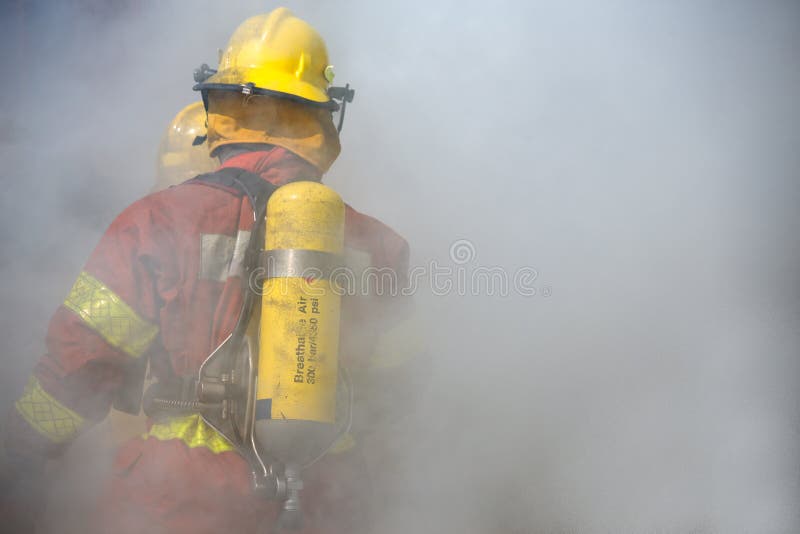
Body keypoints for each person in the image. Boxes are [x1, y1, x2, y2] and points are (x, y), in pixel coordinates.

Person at [1, 7, 416, 533]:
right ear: (321, 116)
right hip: (326, 503)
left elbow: (77, 369)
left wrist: (18, 463)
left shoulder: (153, 222)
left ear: (220, 108)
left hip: (184, 505)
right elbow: (400, 398)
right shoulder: (377, 247)